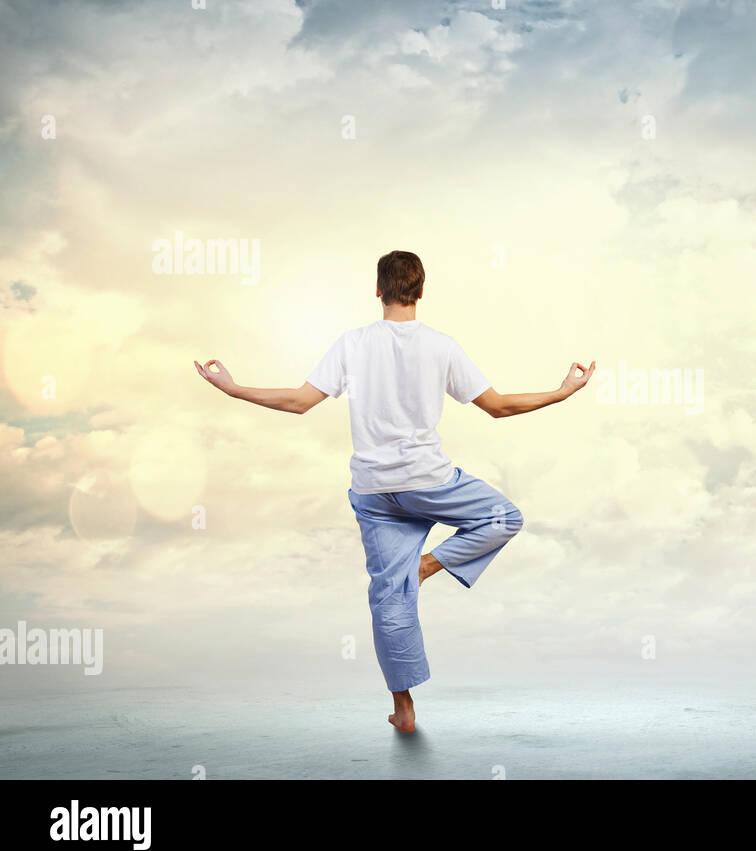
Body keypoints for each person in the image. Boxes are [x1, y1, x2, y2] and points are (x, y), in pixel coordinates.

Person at [194, 250, 593, 732]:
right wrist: (561, 391)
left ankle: (404, 708)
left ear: (378, 291)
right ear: (422, 292)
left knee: (389, 596)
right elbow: (500, 407)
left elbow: (300, 402)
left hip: (374, 490)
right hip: (429, 482)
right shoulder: (442, 347)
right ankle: (427, 566)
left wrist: (234, 389)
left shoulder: (352, 344)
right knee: (503, 517)